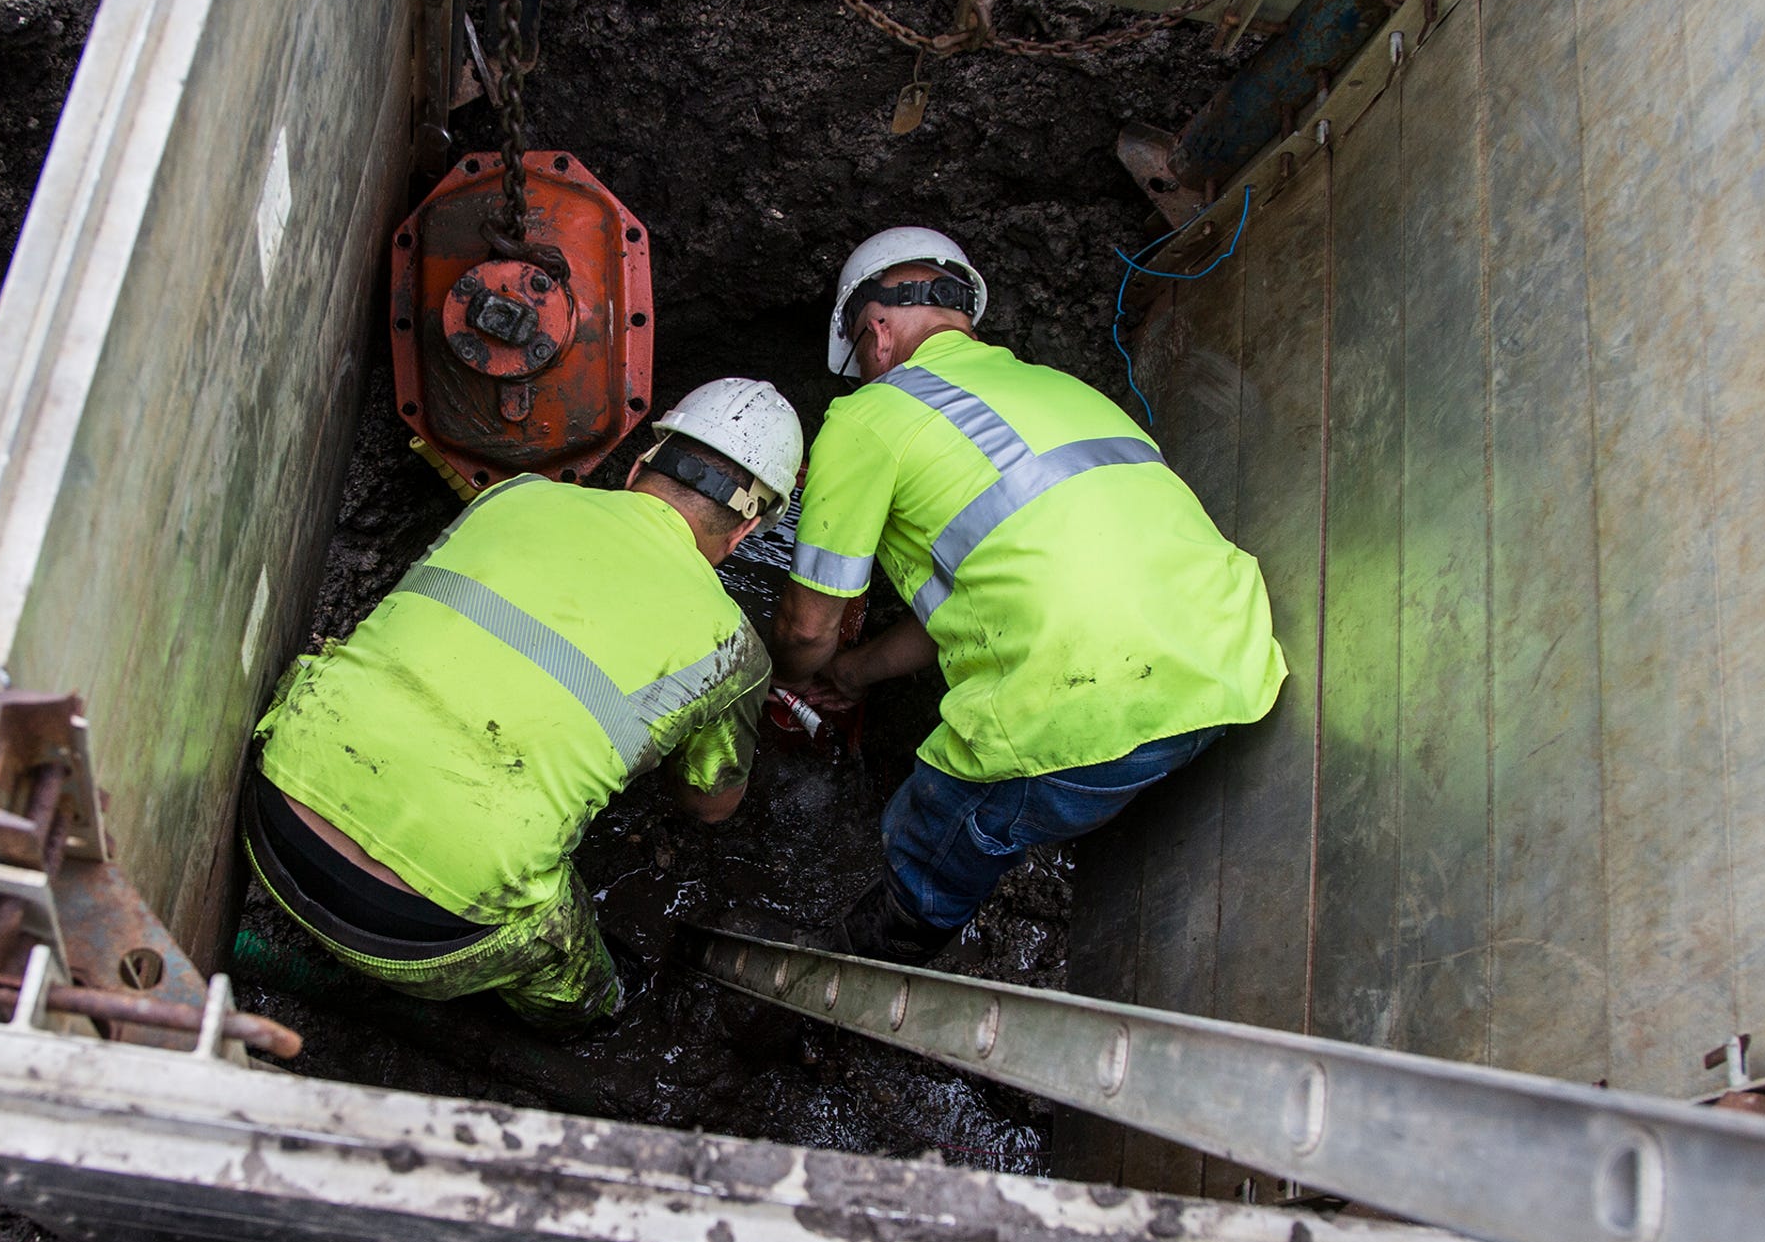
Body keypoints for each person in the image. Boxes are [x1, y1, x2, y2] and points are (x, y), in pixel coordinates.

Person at [773, 226, 1287, 965]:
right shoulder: (1063, 389)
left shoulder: (868, 417)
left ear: (876, 332)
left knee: (931, 827)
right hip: (1231, 672)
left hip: (1081, 718)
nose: (862, 375)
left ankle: (884, 946)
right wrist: (852, 676)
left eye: (858, 357)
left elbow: (807, 628)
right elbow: (990, 592)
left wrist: (781, 683)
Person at [244, 379, 801, 1026]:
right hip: (419, 939)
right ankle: (588, 1021)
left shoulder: (516, 494)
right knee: (579, 973)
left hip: (270, 818)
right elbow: (710, 803)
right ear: (747, 530)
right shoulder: (733, 648)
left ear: (641, 467)